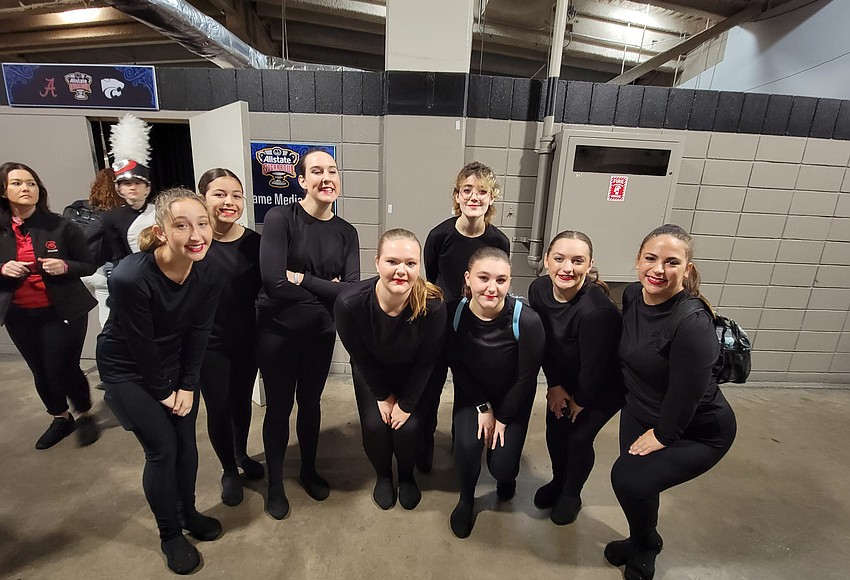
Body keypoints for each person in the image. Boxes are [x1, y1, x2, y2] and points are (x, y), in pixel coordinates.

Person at [96, 188, 224, 575]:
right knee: (163, 450)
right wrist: (165, 392)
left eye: (202, 223)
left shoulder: (209, 270)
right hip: (127, 369)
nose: (196, 234)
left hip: (175, 366)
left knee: (187, 443)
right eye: (182, 225)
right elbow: (141, 343)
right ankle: (170, 534)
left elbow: (199, 332)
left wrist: (187, 385)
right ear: (163, 231)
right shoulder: (131, 276)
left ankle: (189, 513)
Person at [606, 224, 736, 580]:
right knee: (642, 485)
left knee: (629, 479)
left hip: (695, 429)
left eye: (671, 262)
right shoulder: (633, 295)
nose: (658, 270)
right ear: (637, 261)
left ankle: (646, 545)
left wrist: (663, 435)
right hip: (640, 410)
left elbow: (687, 394)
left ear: (687, 270)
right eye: (651, 258)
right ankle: (642, 539)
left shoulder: (692, 323)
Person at [256, 148, 360, 520]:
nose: (326, 177)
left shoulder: (347, 232)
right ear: (301, 180)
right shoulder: (280, 218)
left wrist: (303, 278)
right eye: (317, 171)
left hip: (319, 334)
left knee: (311, 404)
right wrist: (324, 290)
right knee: (280, 408)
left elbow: (349, 290)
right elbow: (273, 282)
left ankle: (308, 469)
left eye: (332, 170)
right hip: (277, 333)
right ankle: (274, 485)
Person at [335, 228, 446, 511]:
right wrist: (383, 395)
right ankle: (384, 476)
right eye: (392, 262)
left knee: (408, 429)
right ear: (377, 262)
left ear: (419, 265)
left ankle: (407, 476)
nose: (401, 271)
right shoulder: (350, 303)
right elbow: (359, 356)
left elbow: (427, 361)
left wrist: (406, 404)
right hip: (372, 370)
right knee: (374, 427)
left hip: (414, 373)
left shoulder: (433, 304)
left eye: (410, 263)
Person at [0, 162, 100, 450]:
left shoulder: (61, 225)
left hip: (62, 310)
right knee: (39, 369)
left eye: (31, 183)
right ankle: (60, 417)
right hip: (19, 312)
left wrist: (64, 265)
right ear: (4, 190)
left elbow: (88, 264)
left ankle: (83, 413)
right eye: (17, 183)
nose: (26, 188)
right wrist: (3, 268)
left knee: (62, 367)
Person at [528, 231, 624, 525]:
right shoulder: (538, 289)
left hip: (602, 384)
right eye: (559, 258)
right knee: (554, 431)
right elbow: (542, 341)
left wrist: (580, 401)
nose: (567, 268)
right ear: (546, 260)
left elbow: (594, 367)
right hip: (565, 376)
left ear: (590, 264)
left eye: (577, 261)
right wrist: (554, 384)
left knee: (579, 438)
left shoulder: (596, 312)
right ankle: (558, 481)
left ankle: (571, 493)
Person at [447, 247, 544, 538]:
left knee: (501, 466)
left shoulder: (526, 320)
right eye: (483, 278)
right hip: (473, 394)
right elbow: (456, 363)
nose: (492, 288)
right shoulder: (455, 313)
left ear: (510, 281)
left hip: (513, 397)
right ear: (468, 278)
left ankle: (507, 476)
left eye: (501, 280)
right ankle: (466, 498)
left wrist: (502, 417)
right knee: (465, 450)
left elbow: (527, 377)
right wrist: (482, 407)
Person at [420, 161, 511, 472]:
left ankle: (463, 442)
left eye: (482, 191)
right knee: (430, 388)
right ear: (456, 196)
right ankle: (424, 445)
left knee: (468, 387)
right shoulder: (438, 235)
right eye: (467, 190)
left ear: (492, 198)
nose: (474, 197)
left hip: (475, 329)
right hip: (441, 324)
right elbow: (431, 279)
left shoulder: (499, 242)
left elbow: (495, 286)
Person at [198, 168, 264, 506]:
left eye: (236, 195)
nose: (229, 201)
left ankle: (241, 454)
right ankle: (228, 469)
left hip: (247, 339)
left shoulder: (254, 243)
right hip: (209, 345)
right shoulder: (196, 243)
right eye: (219, 194)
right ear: (203, 198)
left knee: (242, 402)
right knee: (219, 408)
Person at [70, 167, 124, 327]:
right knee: (108, 316)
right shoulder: (118, 214)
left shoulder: (78, 207)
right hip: (103, 271)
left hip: (79, 271)